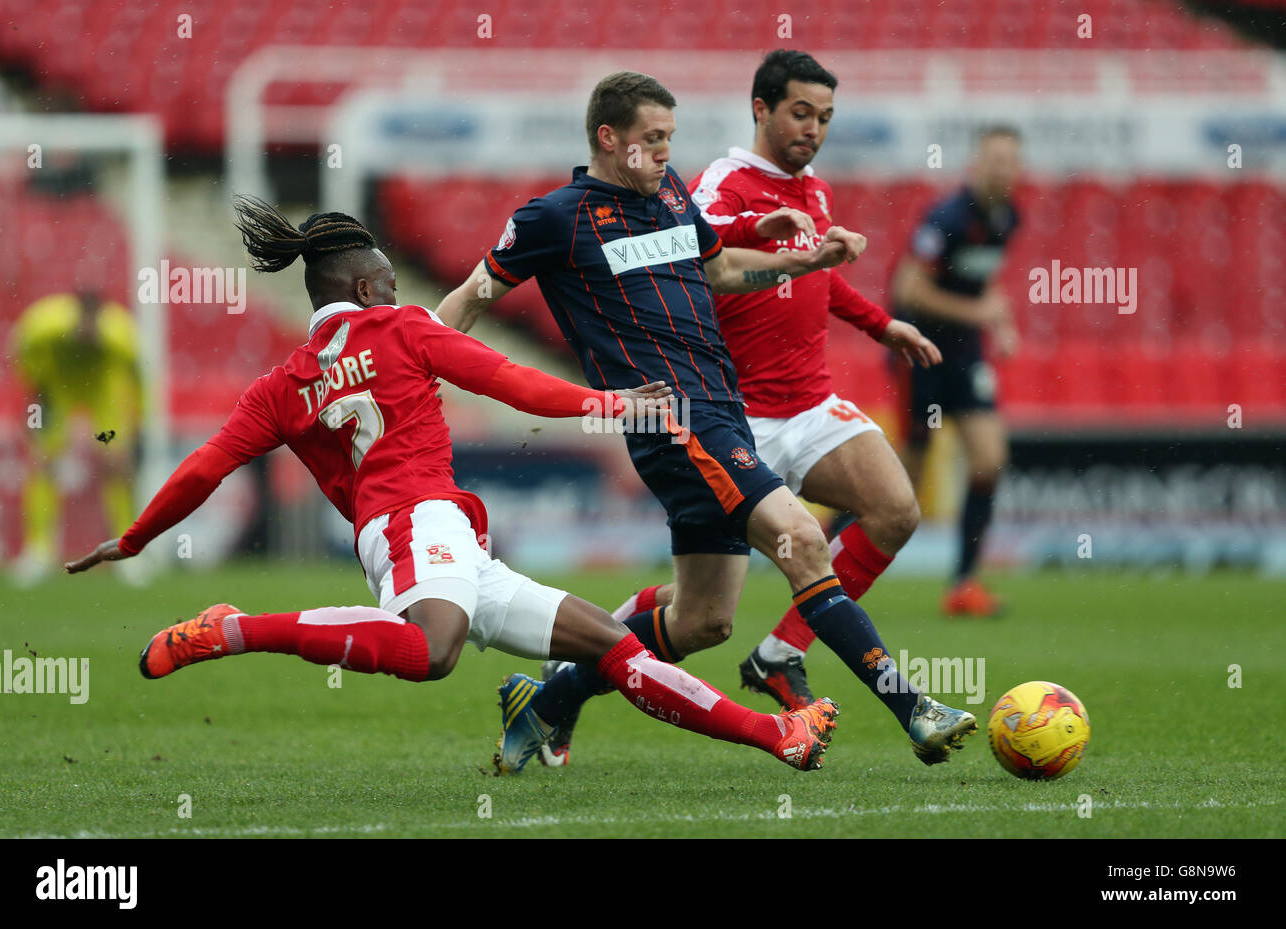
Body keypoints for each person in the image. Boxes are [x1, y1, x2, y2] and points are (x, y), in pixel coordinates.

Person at [65, 196, 842, 775]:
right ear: (371, 287)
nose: (399, 291)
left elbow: (207, 466)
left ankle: (778, 734)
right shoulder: (403, 328)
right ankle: (234, 627)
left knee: (609, 647)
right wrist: (606, 403)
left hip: (440, 539)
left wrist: (134, 538)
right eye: (393, 281)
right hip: (415, 524)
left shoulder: (281, 384)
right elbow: (508, 382)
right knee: (432, 652)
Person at [437, 71, 977, 770]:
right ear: (609, 137)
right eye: (652, 138)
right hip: (673, 418)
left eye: (670, 137)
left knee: (702, 621)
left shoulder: (669, 195)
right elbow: (468, 300)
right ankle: (916, 711)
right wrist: (413, 363)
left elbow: (720, 272)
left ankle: (547, 700)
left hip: (721, 409)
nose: (665, 150)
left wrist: (806, 258)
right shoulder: (555, 218)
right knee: (802, 538)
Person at [586, 49, 942, 734]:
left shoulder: (814, 190)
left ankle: (781, 650)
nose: (813, 129)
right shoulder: (725, 182)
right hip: (733, 415)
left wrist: (882, 323)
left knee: (896, 510)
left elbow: (815, 275)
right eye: (801, 113)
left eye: (826, 118)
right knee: (700, 616)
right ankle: (574, 664)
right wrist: (761, 233)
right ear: (762, 109)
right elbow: (695, 247)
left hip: (810, 404)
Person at [890, 126, 1023, 617]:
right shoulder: (947, 217)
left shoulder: (1009, 218)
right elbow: (908, 290)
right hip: (920, 350)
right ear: (974, 165)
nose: (1002, 169)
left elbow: (981, 287)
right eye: (994, 160)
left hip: (966, 355)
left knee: (989, 457)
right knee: (907, 480)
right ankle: (827, 546)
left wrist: (1001, 324)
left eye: (1011, 161)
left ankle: (964, 584)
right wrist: (981, 315)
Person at [10, 288, 143, 586]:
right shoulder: (41, 327)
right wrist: (33, 409)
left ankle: (126, 550)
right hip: (58, 388)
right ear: (75, 319)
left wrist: (135, 430)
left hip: (103, 390)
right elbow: (25, 367)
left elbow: (139, 382)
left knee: (116, 465)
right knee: (43, 462)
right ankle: (39, 550)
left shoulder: (121, 336)